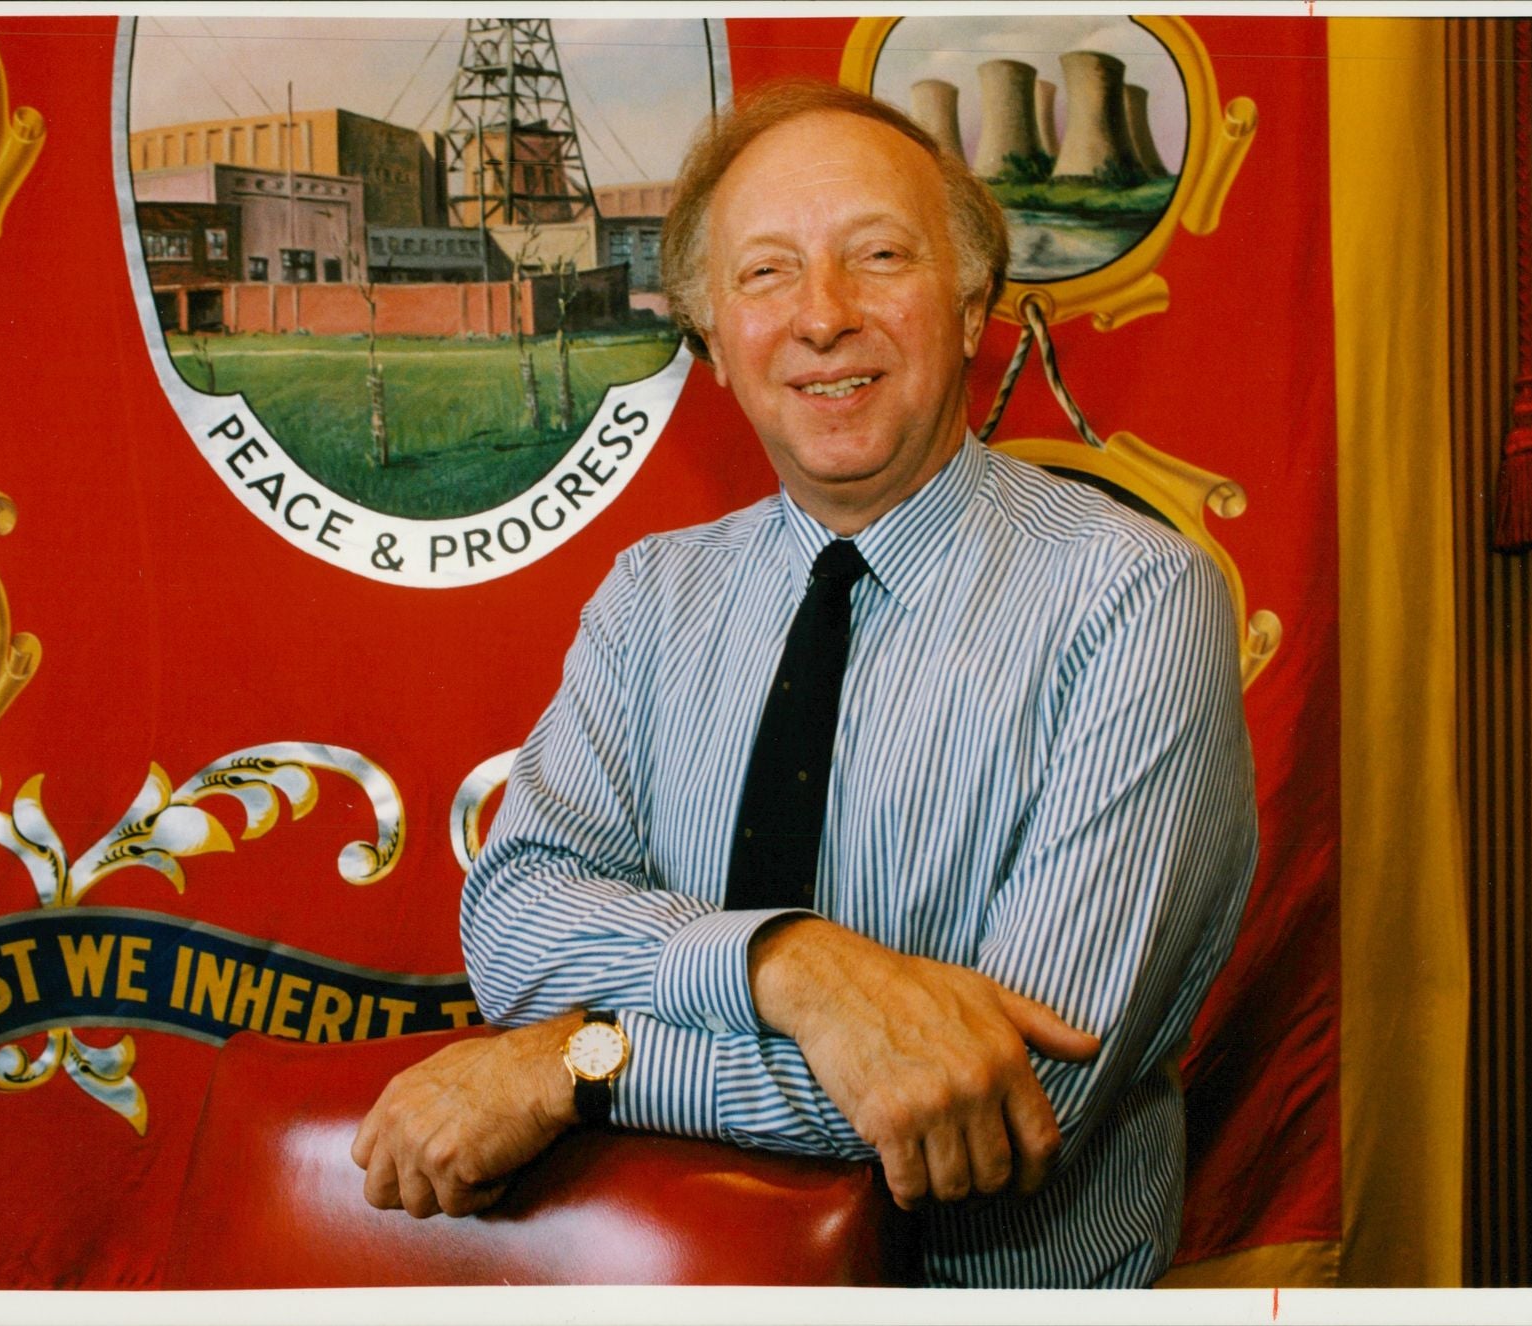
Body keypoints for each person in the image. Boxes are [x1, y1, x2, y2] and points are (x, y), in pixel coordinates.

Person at [350, 79, 1258, 1288]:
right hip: (651, 1281)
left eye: (877, 255)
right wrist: (793, 966)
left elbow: (1007, 1090)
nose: (821, 317)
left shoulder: (1135, 600)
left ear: (972, 301)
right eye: (765, 274)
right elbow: (516, 924)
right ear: (714, 340)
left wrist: (577, 1064)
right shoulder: (651, 594)